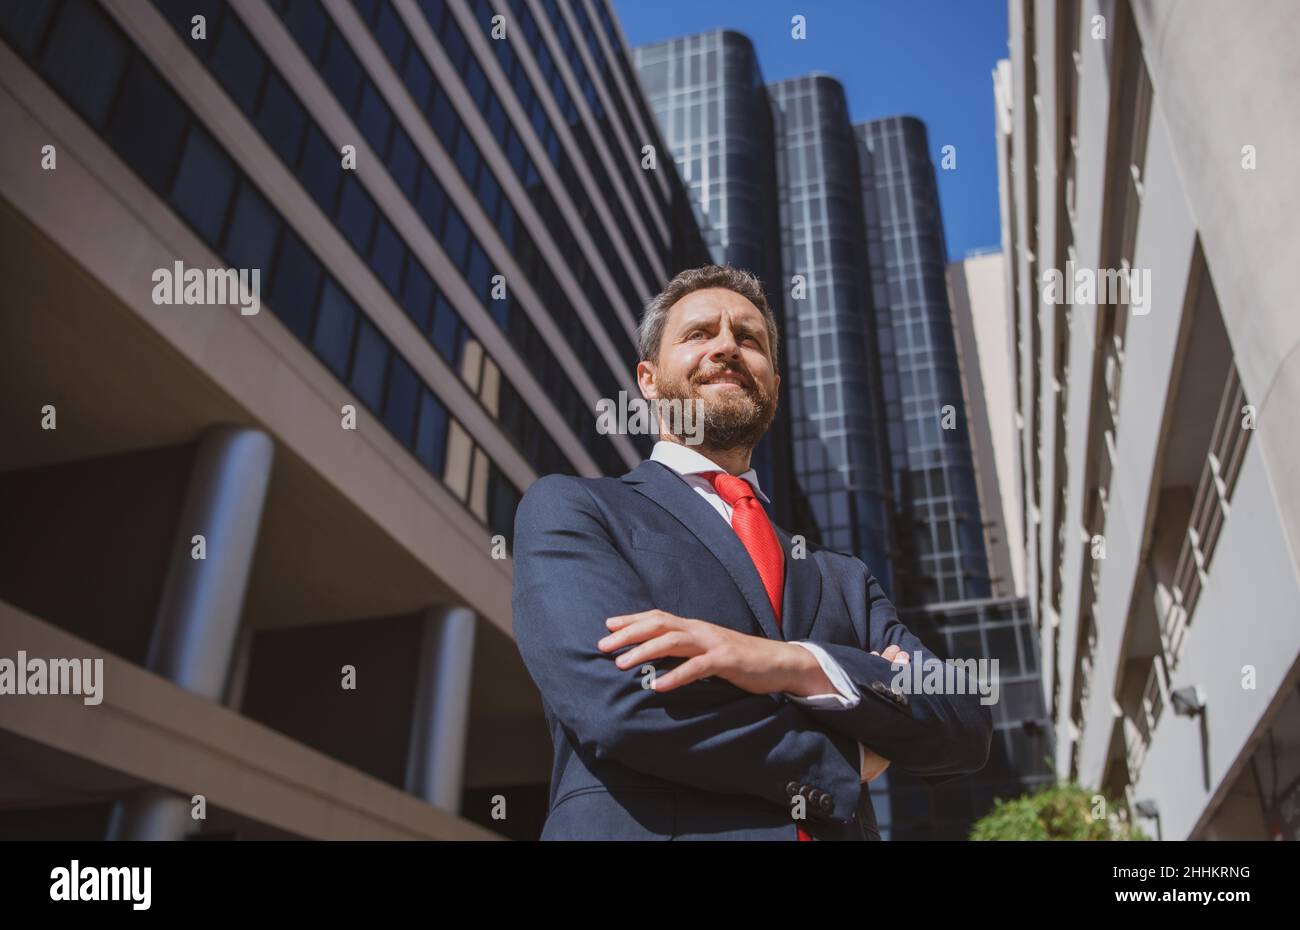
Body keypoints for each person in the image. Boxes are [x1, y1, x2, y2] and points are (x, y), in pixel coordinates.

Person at [512, 264, 992, 840]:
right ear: (648, 379)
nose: (726, 348)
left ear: (774, 383)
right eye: (698, 334)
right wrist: (844, 755)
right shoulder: (575, 510)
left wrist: (794, 663)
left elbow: (963, 721)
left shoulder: (842, 577)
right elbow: (622, 704)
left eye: (749, 338)